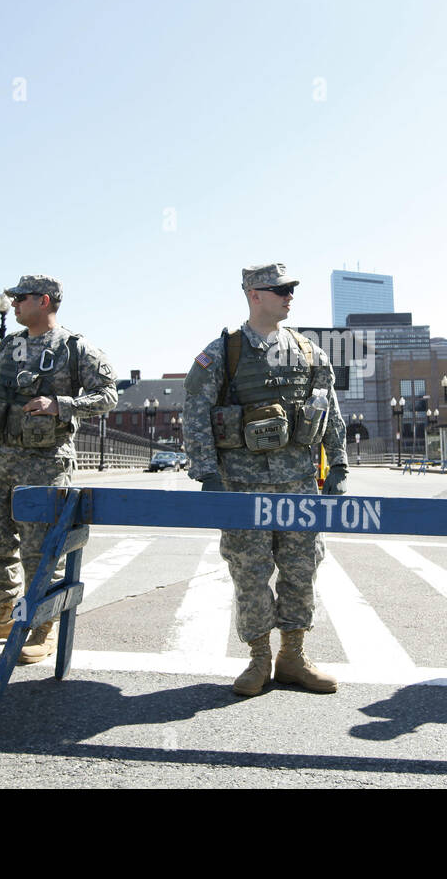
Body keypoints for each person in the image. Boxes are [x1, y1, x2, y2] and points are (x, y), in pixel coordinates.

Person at [183, 264, 348, 696]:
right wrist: (206, 473)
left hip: (298, 484)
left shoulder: (310, 352)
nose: (289, 296)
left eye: (290, 289)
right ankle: (258, 658)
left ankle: (292, 656)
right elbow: (196, 414)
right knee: (249, 571)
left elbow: (329, 412)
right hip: (241, 485)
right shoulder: (223, 351)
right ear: (254, 295)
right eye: (279, 290)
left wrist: (340, 467)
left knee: (301, 568)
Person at [0, 275, 117, 664]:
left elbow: (108, 396)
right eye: (11, 299)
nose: (13, 304)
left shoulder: (75, 348)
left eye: (21, 298)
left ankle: (42, 627)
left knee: (41, 549)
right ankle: (4, 612)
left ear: (44, 301)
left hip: (45, 460)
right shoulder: (6, 347)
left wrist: (60, 405)